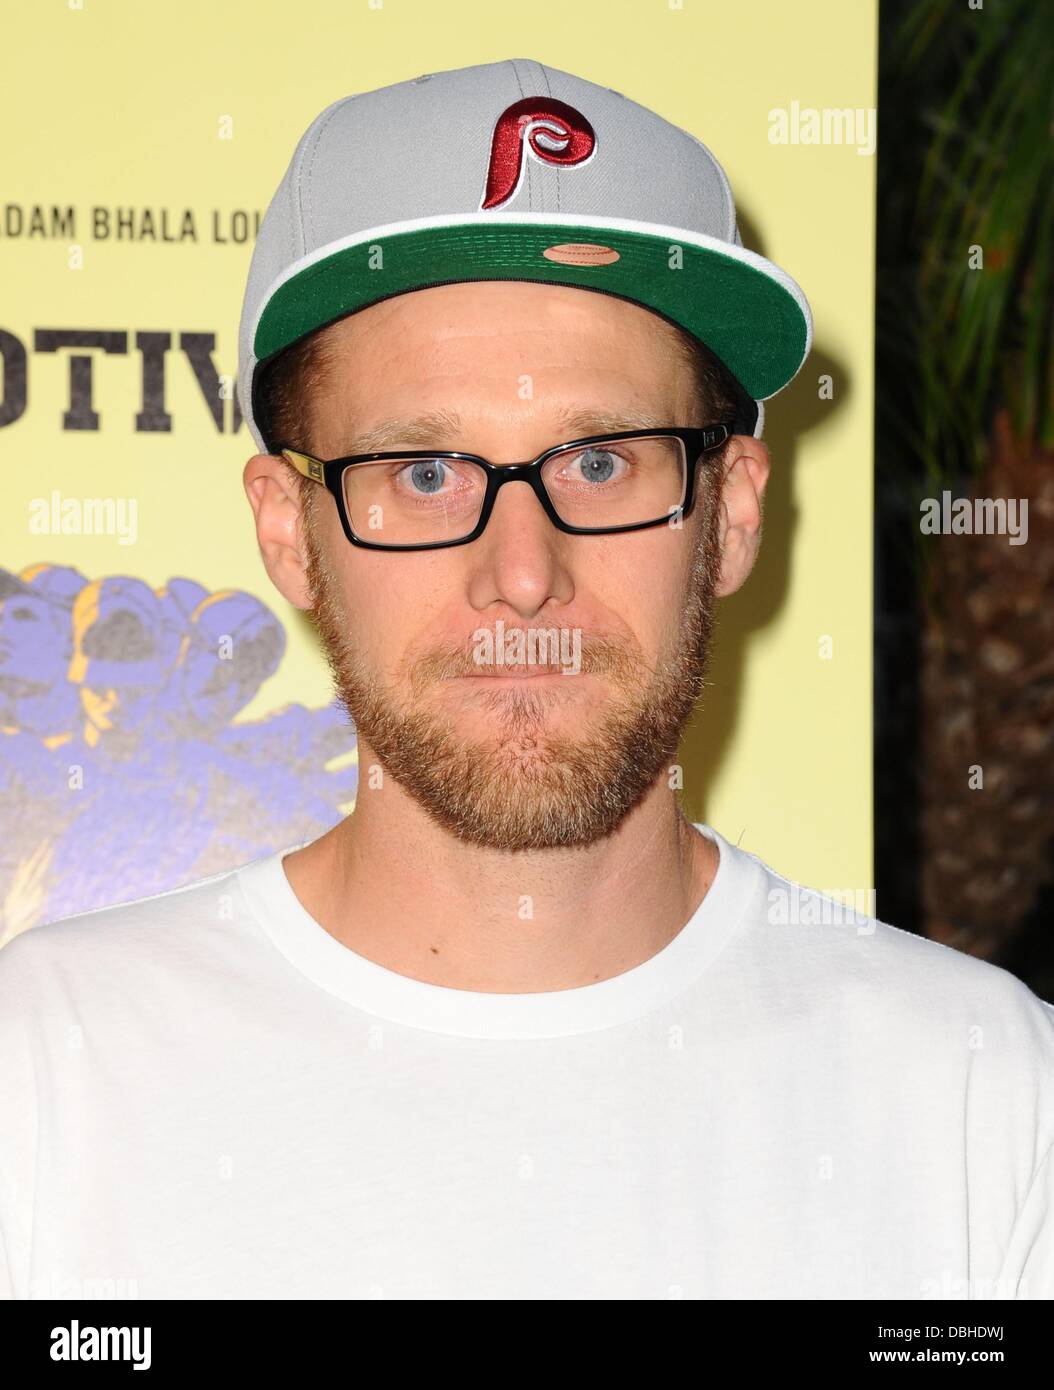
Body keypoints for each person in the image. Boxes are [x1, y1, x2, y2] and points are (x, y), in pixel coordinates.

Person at [1, 57, 1051, 1302]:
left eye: (601, 462)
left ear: (730, 518)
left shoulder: (977, 1091)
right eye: (428, 472)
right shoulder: (48, 1072)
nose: (522, 573)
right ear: (288, 529)